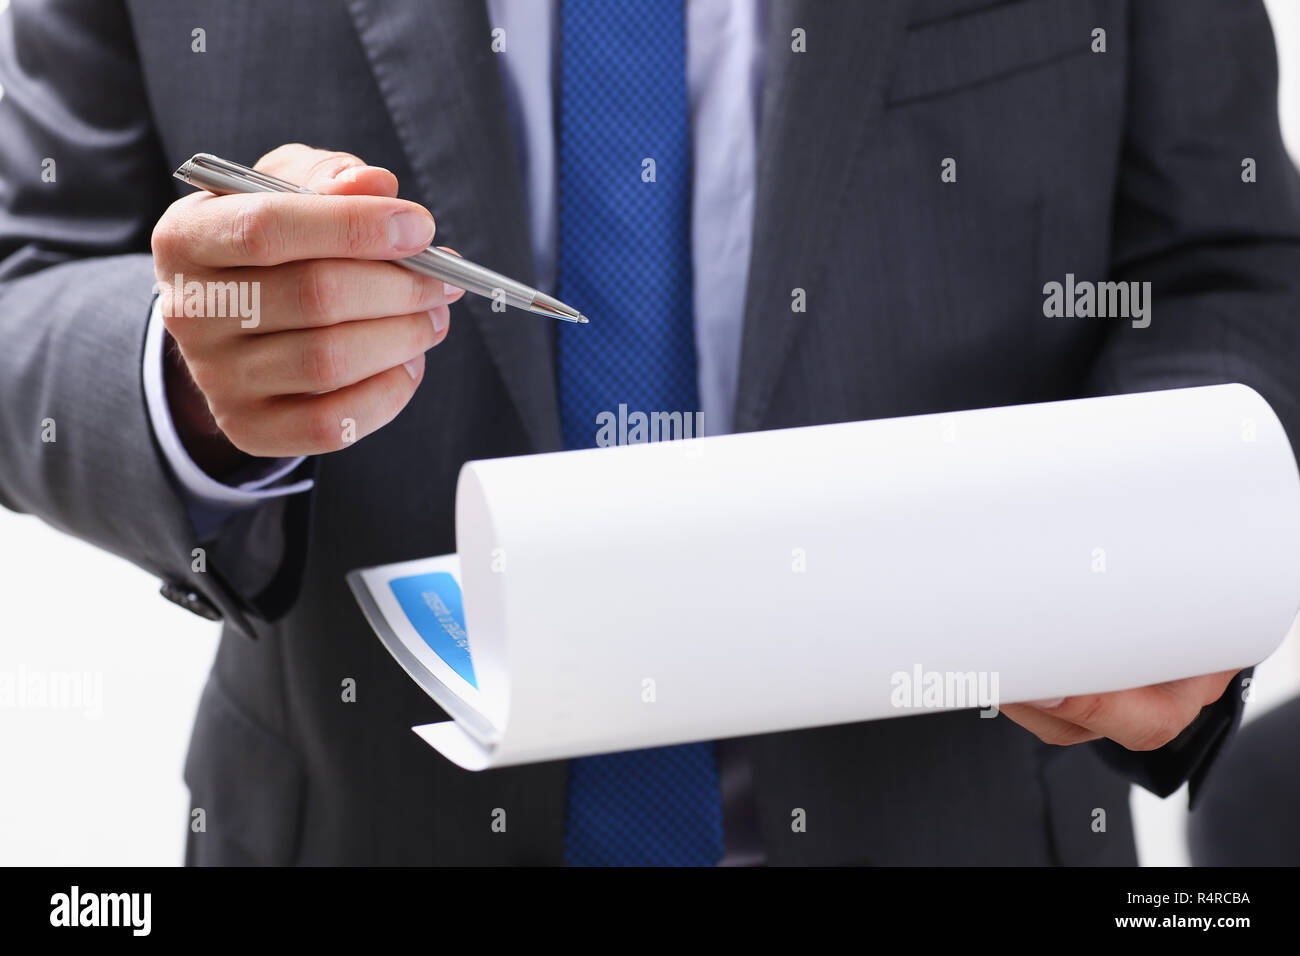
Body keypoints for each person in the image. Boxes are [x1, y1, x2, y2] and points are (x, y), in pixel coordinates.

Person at [1, 0, 1296, 865]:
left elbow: (1230, 258)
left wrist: (1161, 540)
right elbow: (28, 286)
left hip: (963, 811)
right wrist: (194, 368)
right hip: (357, 819)